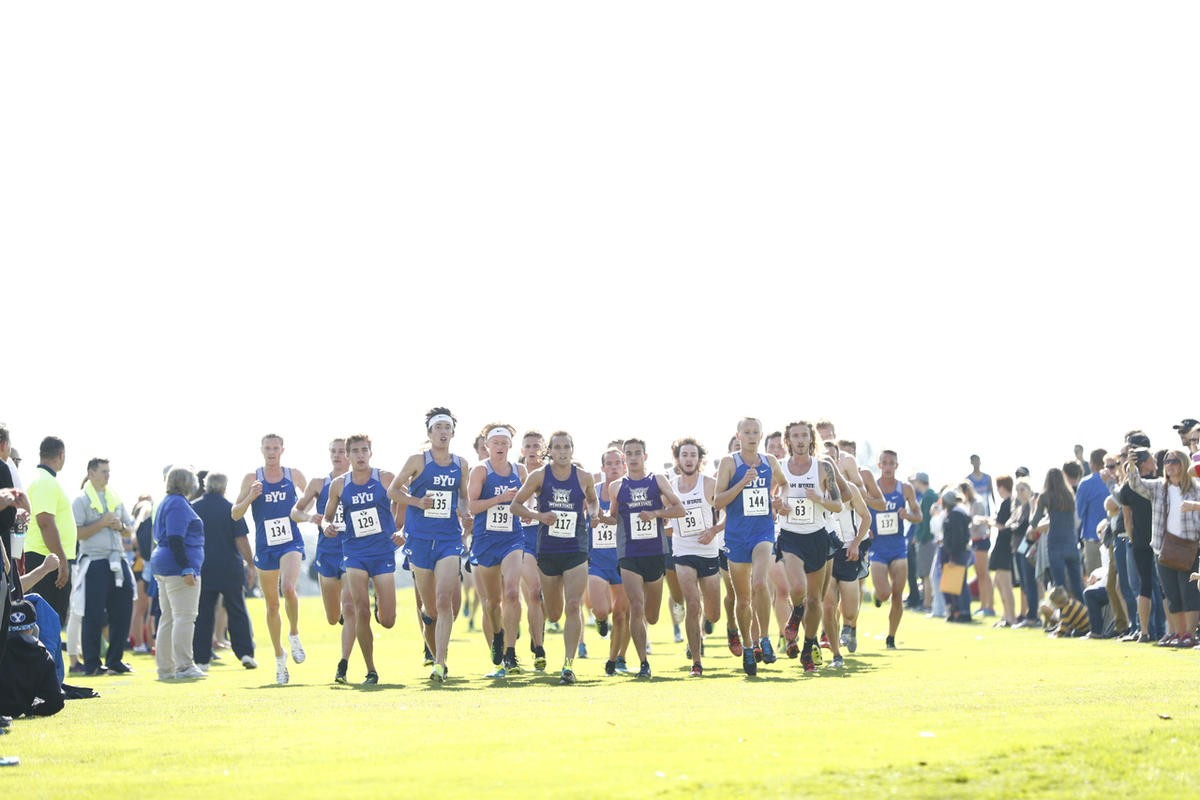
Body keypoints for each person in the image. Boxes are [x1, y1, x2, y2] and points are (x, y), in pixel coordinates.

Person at [389, 408, 472, 683]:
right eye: (438, 427)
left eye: (447, 427)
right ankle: (433, 649)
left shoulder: (461, 464)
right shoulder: (417, 460)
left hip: (448, 538)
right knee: (430, 609)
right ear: (429, 433)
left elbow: (462, 498)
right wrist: (415, 502)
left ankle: (440, 662)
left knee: (443, 599)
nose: (443, 432)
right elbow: (394, 490)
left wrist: (466, 513)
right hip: (420, 539)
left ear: (452, 433)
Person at [511, 431, 599, 685]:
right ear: (550, 450)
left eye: (566, 447)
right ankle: (551, 625)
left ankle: (568, 665)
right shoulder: (539, 476)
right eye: (557, 447)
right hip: (548, 550)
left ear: (573, 449)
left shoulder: (583, 477)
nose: (562, 451)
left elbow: (593, 503)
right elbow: (516, 505)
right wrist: (539, 516)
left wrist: (593, 514)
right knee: (554, 613)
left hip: (576, 549)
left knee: (574, 605)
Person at [594, 438, 684, 680]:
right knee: (635, 606)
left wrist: (655, 513)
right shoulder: (616, 487)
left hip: (655, 552)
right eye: (629, 454)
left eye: (637, 453)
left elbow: (680, 509)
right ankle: (643, 662)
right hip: (628, 553)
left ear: (645, 456)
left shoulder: (657, 480)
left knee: (651, 616)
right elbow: (614, 518)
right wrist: (601, 519)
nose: (633, 457)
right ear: (625, 459)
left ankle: (669, 609)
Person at [713, 417, 789, 675]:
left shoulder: (770, 461)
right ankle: (747, 645)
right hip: (735, 536)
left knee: (760, 583)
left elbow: (783, 484)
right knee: (743, 599)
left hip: (763, 532)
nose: (752, 436)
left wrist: (779, 500)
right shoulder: (729, 462)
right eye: (747, 432)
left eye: (756, 432)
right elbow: (718, 501)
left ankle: (765, 639)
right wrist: (742, 482)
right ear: (738, 435)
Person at [232, 434, 309, 685]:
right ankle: (279, 656)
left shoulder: (293, 475)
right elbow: (235, 514)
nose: (272, 452)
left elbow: (308, 504)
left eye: (276, 448)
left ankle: (294, 634)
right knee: (272, 605)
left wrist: (304, 514)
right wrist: (250, 497)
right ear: (261, 450)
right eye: (268, 448)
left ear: (282, 450)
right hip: (265, 546)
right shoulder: (251, 478)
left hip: (290, 541)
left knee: (288, 587)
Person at [324, 434, 399, 684]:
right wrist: (327, 526)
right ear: (348, 455)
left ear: (370, 452)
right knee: (360, 610)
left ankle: (381, 603)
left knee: (387, 620)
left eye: (364, 450)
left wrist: (400, 528)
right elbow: (327, 516)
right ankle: (371, 669)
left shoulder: (385, 478)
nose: (360, 455)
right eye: (354, 451)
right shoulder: (339, 484)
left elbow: (407, 500)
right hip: (354, 552)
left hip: (382, 552)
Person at [776, 421, 842, 672]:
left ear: (811, 439)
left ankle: (808, 646)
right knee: (797, 588)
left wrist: (819, 499)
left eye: (804, 435)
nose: (801, 440)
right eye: (795, 436)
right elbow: (772, 500)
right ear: (788, 440)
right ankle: (795, 613)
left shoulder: (824, 467)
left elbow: (837, 505)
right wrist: (778, 506)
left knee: (815, 600)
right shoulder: (779, 468)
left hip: (817, 536)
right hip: (791, 536)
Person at [466, 424, 529, 678]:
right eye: (496, 443)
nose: (500, 447)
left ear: (510, 446)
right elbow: (472, 506)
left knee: (512, 592)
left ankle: (511, 653)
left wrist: (526, 511)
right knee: (492, 602)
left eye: (505, 443)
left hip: (512, 539)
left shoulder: (520, 470)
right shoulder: (480, 470)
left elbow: (528, 498)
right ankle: (498, 636)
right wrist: (500, 499)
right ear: (487, 446)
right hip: (484, 541)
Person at [292, 439, 357, 681]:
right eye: (334, 452)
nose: (338, 456)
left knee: (350, 607)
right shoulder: (319, 483)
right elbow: (295, 512)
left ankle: (343, 664)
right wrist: (311, 518)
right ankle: (341, 616)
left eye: (342, 452)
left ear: (350, 455)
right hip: (327, 552)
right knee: (333, 617)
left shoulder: (358, 482)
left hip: (352, 551)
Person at [1125, 448, 1200, 648]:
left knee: (1189, 594)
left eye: (1175, 461)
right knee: (1172, 595)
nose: (1170, 464)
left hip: (1189, 548)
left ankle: (1190, 635)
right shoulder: (1159, 487)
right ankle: (1179, 632)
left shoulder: (1196, 488)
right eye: (1167, 461)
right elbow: (1135, 484)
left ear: (1183, 464)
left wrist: (1194, 506)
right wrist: (1131, 466)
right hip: (1164, 549)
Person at [70, 458, 135, 675]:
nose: (108, 475)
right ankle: (92, 664)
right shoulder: (80, 501)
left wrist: (120, 526)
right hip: (95, 561)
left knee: (123, 610)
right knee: (94, 614)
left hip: (118, 559)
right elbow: (77, 533)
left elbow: (129, 530)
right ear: (91, 473)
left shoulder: (114, 496)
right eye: (103, 471)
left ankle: (115, 660)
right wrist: (102, 522)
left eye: (109, 471)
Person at [668, 438, 723, 677]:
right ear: (678, 459)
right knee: (692, 603)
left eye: (693, 455)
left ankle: (707, 623)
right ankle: (696, 660)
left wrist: (713, 530)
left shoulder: (710, 484)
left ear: (699, 459)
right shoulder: (669, 487)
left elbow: (727, 514)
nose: (688, 459)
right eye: (684, 454)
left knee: (713, 613)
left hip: (708, 551)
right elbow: (666, 519)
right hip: (683, 551)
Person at [192, 473, 257, 671]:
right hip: (230, 567)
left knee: (203, 613)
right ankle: (245, 653)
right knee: (237, 610)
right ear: (224, 486)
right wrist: (251, 564)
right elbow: (241, 539)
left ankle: (202, 659)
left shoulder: (194, 507)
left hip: (203, 567)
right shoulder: (231, 508)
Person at [152, 466, 206, 681]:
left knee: (168, 618)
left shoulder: (168, 501)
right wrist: (186, 567)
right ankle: (184, 666)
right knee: (184, 616)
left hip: (164, 565)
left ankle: (166, 668)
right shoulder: (178, 504)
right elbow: (176, 538)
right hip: (177, 568)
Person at [866, 450, 923, 648]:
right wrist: (865, 530)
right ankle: (877, 595)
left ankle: (891, 637)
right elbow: (858, 510)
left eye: (892, 463)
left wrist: (908, 515)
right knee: (885, 593)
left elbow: (919, 516)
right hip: (877, 548)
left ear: (896, 466)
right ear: (879, 465)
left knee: (898, 593)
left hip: (898, 547)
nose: (888, 467)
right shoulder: (872, 487)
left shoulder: (905, 489)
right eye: (885, 463)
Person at [22, 437, 75, 625]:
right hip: (45, 559)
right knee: (45, 625)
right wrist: (62, 560)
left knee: (49, 623)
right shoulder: (45, 481)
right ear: (61, 455)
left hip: (46, 559)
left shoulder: (44, 480)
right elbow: (45, 522)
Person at [589, 447, 631, 676]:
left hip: (623, 560)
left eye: (618, 463)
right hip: (597, 561)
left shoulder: (630, 490)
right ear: (603, 468)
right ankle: (599, 620)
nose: (614, 467)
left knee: (622, 613)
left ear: (624, 466)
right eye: (609, 463)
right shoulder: (592, 493)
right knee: (602, 610)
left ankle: (615, 660)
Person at [517, 430, 548, 671]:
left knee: (542, 599)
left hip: (547, 538)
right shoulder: (515, 473)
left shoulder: (550, 474)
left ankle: (536, 635)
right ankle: (539, 648)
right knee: (534, 592)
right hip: (522, 539)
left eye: (536, 445)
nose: (532, 450)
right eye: (528, 446)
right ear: (522, 450)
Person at [1029, 468, 1082, 601]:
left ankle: (1064, 617)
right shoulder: (1070, 495)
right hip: (1071, 544)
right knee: (1077, 585)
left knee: (1060, 586)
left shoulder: (1045, 496)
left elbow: (1034, 522)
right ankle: (1085, 616)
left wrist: (1032, 506)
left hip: (1055, 545)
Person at [939, 489, 973, 623]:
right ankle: (957, 611)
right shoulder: (958, 513)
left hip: (957, 554)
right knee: (955, 584)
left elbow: (957, 538)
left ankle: (964, 612)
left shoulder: (955, 515)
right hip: (957, 552)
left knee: (959, 584)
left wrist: (952, 556)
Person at [1076, 449, 1111, 575]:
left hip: (1093, 539)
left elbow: (1079, 513)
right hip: (1113, 538)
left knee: (1095, 581)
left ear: (1092, 463)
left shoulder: (1085, 483)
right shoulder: (1114, 480)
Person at [909, 473, 939, 611]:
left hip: (927, 540)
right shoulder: (932, 495)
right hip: (931, 539)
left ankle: (927, 604)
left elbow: (925, 521)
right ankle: (929, 602)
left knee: (926, 574)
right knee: (928, 574)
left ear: (920, 482)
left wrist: (920, 537)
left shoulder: (927, 497)